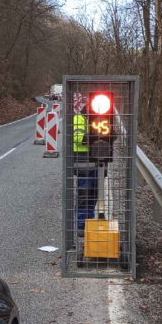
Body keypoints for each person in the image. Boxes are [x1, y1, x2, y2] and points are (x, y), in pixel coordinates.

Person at [72, 93, 97, 238]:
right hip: (83, 163)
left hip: (99, 163)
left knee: (94, 194)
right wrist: (95, 137)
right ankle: (81, 224)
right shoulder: (79, 119)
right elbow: (77, 138)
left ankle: (90, 221)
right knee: (84, 194)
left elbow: (113, 136)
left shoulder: (103, 118)